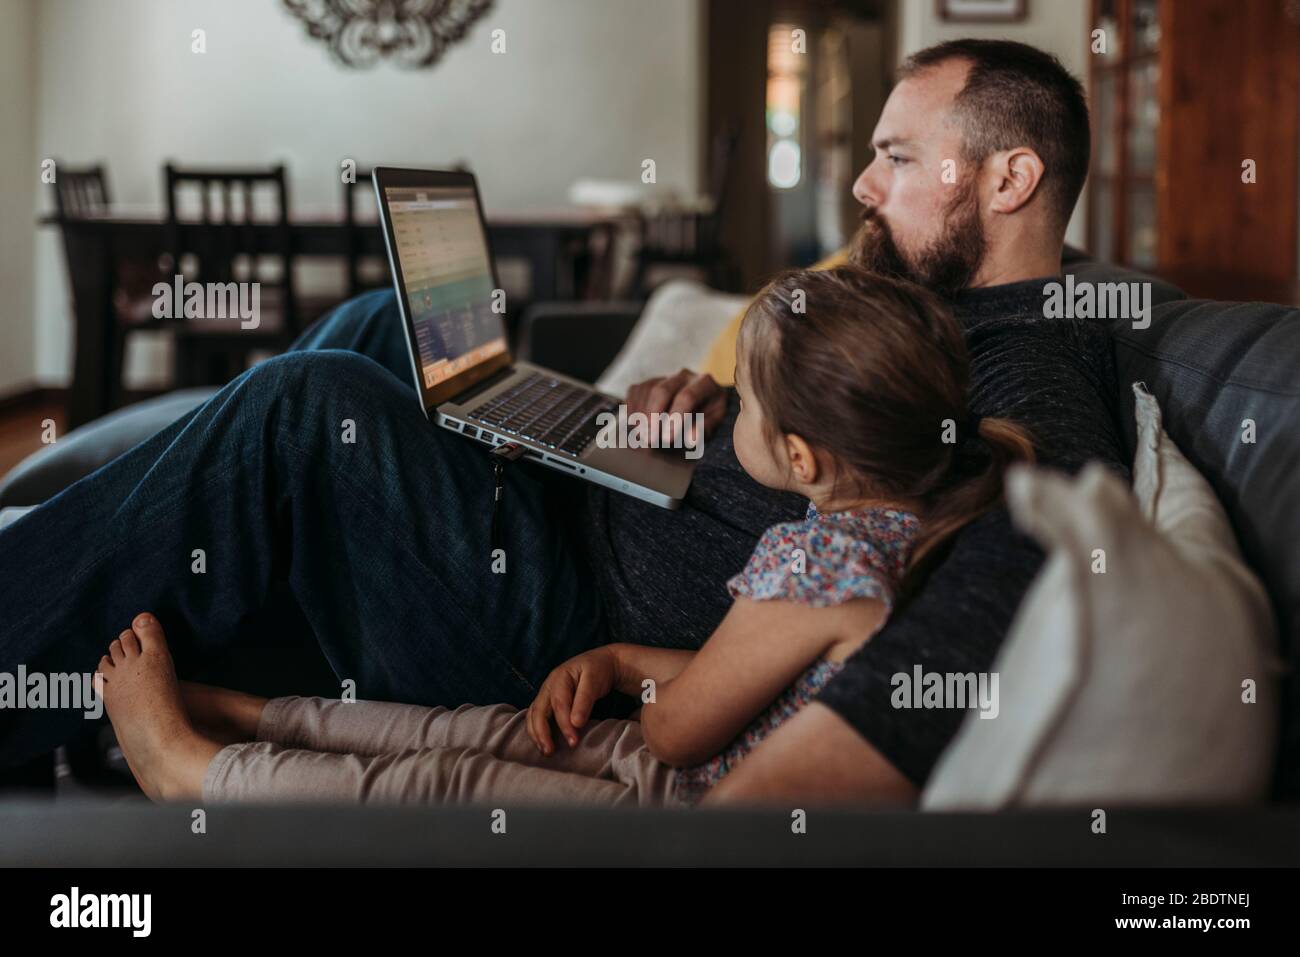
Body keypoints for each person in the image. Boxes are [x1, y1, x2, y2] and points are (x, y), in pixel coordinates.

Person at [0, 39, 1123, 804]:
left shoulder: (1034, 369)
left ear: (1010, 177)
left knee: (305, 410)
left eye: (897, 158)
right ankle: (111, 580)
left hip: (561, 624)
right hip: (601, 501)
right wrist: (716, 409)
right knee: (375, 324)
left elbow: (996, 583)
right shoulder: (940, 310)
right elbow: (841, 443)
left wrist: (711, 734)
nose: (866, 189)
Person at [93, 267, 1033, 806]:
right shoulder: (902, 531)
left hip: (672, 789)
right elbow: (766, 668)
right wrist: (625, 656)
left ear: (801, 456)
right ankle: (255, 710)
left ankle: (196, 771)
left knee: (451, 775)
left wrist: (626, 664)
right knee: (458, 738)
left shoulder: (810, 562)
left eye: (745, 402)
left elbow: (675, 727)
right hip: (665, 723)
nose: (727, 409)